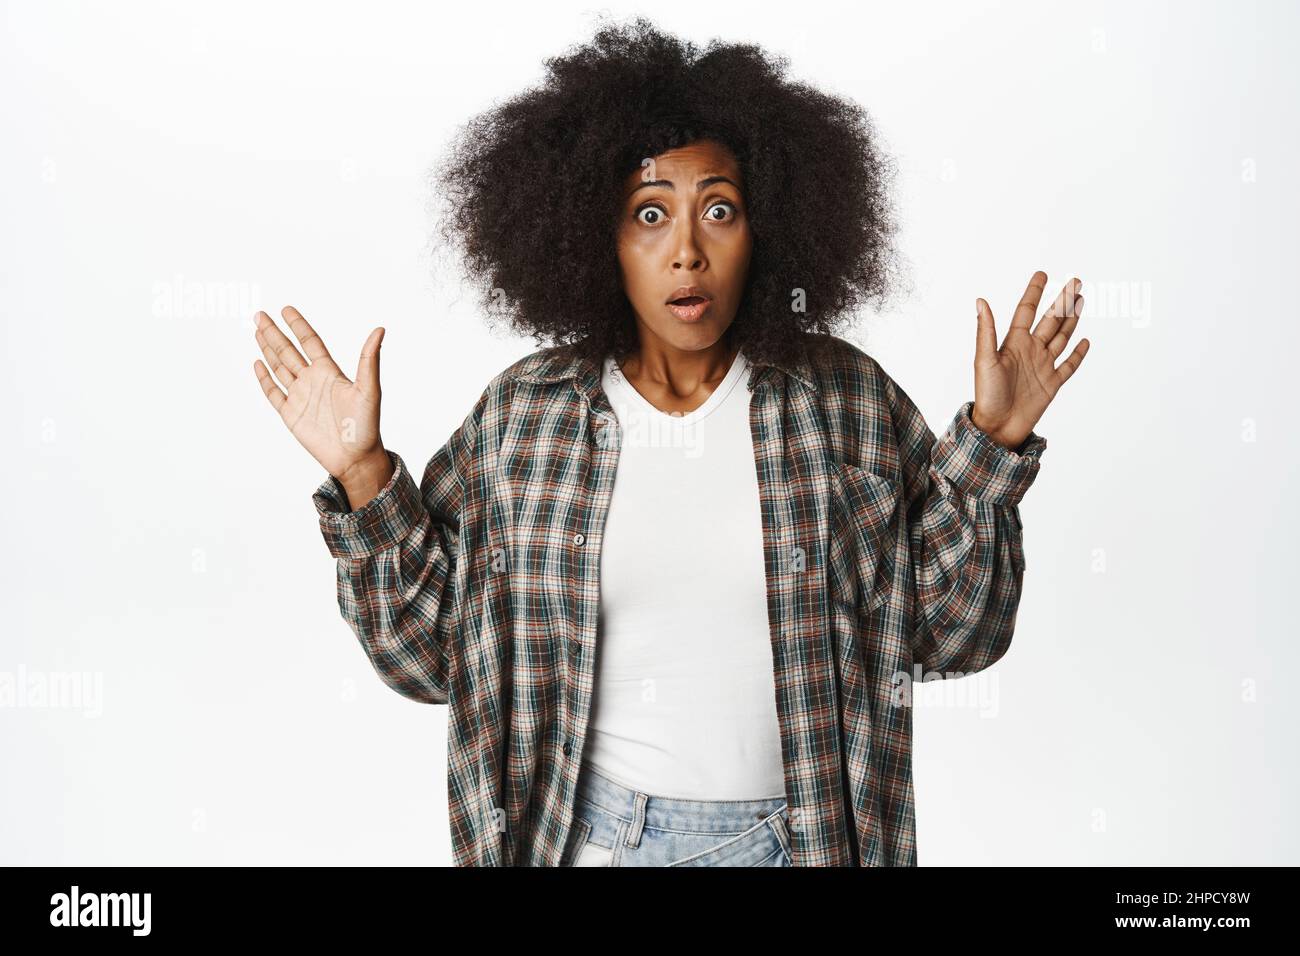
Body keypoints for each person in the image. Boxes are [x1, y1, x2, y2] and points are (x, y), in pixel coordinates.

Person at [250, 18, 1088, 866]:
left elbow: (955, 638)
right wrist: (362, 474)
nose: (687, 251)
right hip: (592, 843)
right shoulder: (524, 416)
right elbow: (431, 659)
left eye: (718, 210)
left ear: (766, 230)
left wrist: (994, 442)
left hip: (811, 844)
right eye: (650, 214)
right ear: (596, 238)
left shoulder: (843, 401)